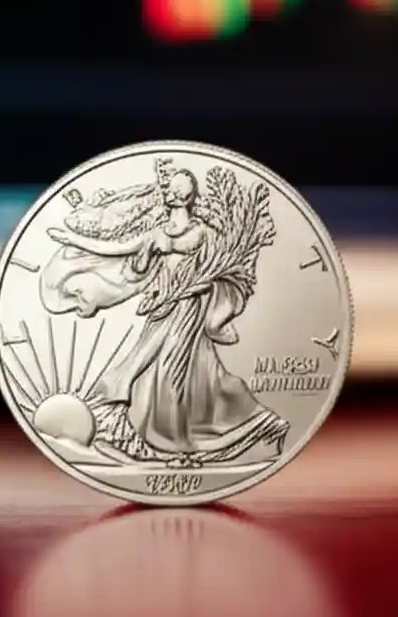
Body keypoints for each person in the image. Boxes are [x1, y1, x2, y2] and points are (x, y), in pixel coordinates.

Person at [41, 167, 287, 468]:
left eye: (176, 189)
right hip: (162, 310)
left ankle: (182, 447)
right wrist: (74, 239)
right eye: (170, 188)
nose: (170, 193)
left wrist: (212, 304)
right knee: (157, 373)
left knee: (172, 374)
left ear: (187, 195)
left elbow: (228, 270)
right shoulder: (158, 232)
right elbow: (117, 249)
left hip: (189, 310)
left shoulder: (205, 233)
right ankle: (153, 444)